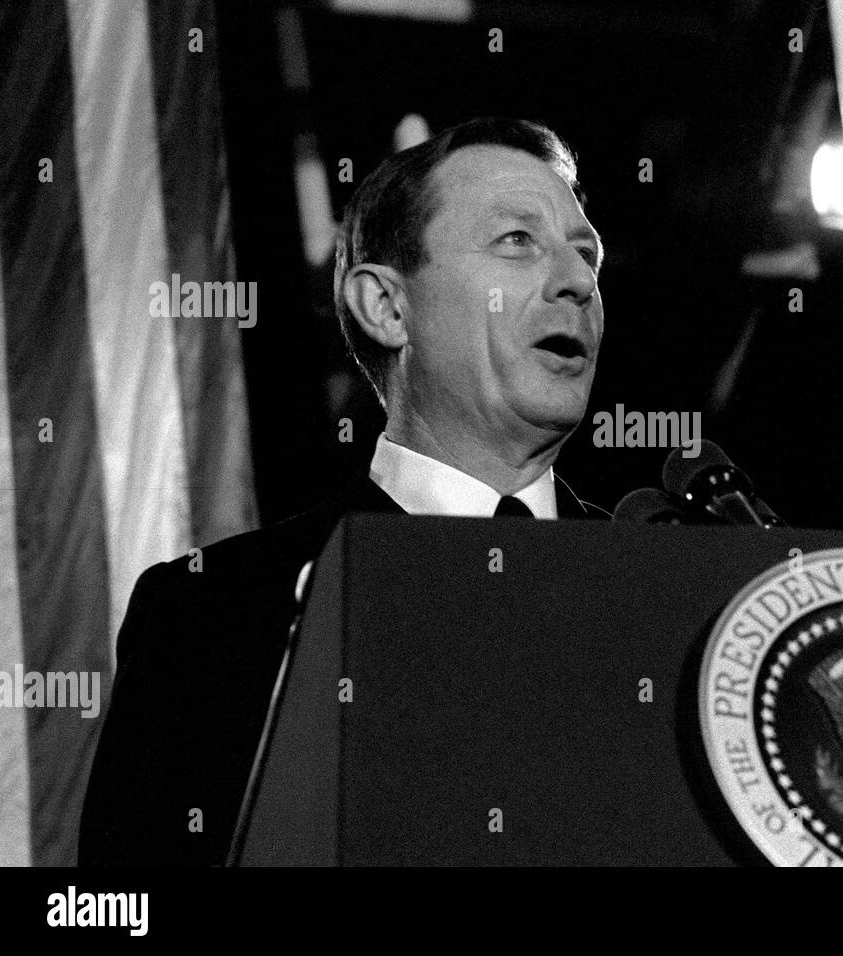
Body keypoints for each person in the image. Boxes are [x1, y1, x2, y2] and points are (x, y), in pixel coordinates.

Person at [78, 117, 608, 866]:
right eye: (517, 241)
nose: (579, 280)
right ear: (388, 308)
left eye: (587, 253)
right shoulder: (215, 616)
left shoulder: (668, 587)